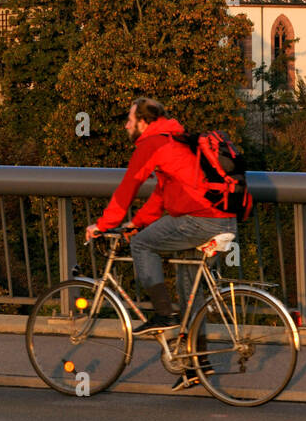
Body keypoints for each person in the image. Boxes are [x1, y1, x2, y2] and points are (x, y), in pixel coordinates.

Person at [85, 96, 236, 390]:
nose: (126, 126)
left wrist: (103, 225)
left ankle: (163, 314)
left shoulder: (151, 143)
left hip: (200, 220)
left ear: (143, 122)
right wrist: (135, 223)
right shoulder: (176, 138)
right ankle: (197, 364)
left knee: (141, 245)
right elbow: (161, 197)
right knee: (188, 290)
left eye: (129, 120)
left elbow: (129, 185)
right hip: (222, 219)